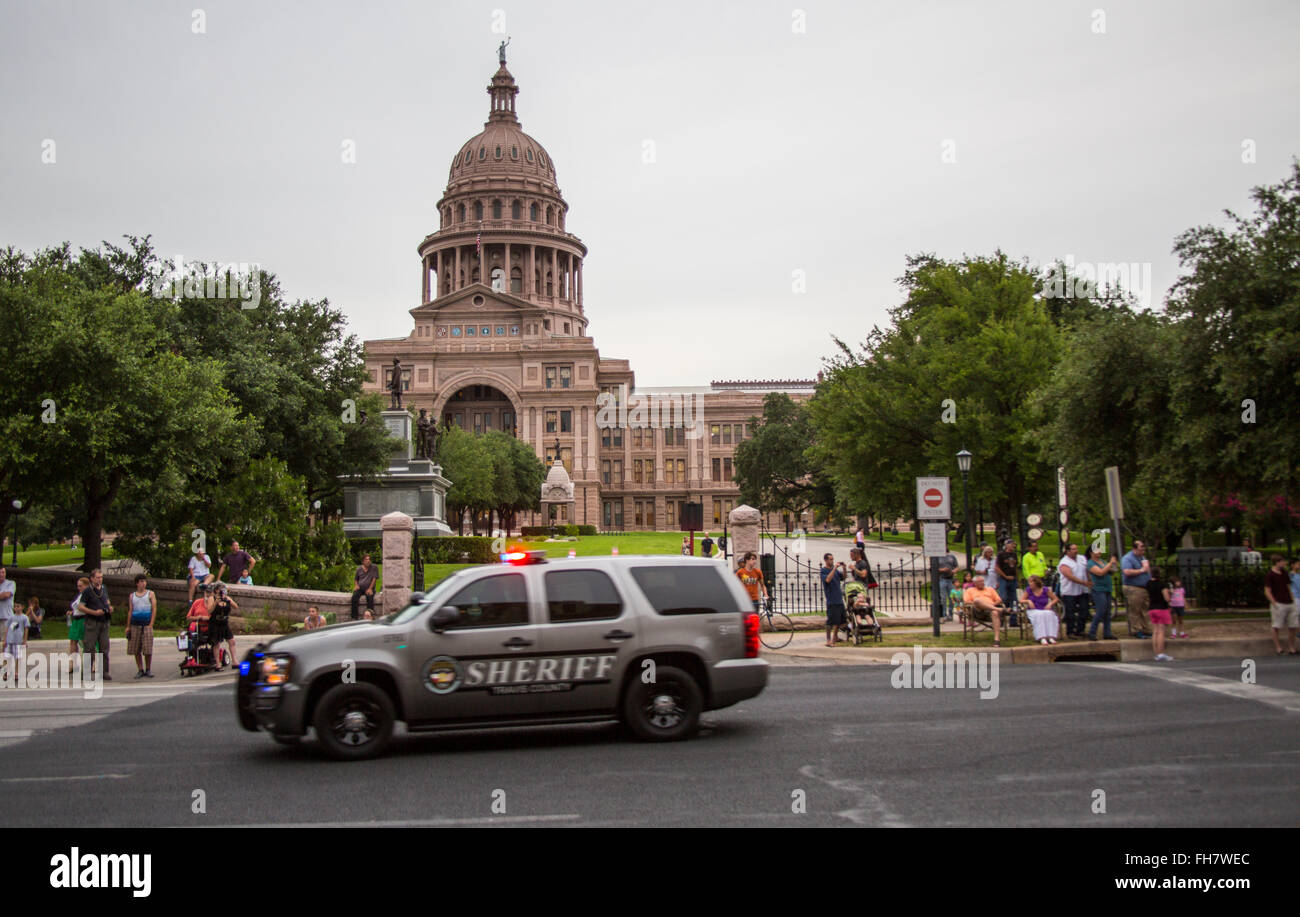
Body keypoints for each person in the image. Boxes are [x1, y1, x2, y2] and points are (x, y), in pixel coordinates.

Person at [78, 568, 114, 681]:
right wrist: (94, 612)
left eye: (101, 577)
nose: (100, 579)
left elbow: (106, 600)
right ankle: (87, 672)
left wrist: (109, 607)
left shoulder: (104, 588)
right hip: (92, 622)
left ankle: (104, 671)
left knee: (104, 647)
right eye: (98, 577)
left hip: (104, 621)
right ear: (92, 578)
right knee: (89, 647)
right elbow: (81, 606)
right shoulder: (88, 591)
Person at [1056, 542, 1091, 638]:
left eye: (1076, 548)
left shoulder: (1082, 558)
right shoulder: (1064, 562)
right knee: (1070, 613)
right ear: (1068, 551)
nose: (1076, 551)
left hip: (1083, 590)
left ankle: (1080, 630)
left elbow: (1087, 570)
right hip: (1069, 591)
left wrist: (1089, 580)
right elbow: (1070, 576)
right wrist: (1083, 582)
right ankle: (1070, 631)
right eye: (1073, 549)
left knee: (1084, 610)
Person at [1264, 554, 1297, 656]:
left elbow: (1288, 586)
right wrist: (1274, 603)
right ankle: (1278, 647)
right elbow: (1267, 591)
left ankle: (1291, 647)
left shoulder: (1284, 573)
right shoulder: (1270, 575)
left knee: (1293, 625)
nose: (1285, 563)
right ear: (1277, 562)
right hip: (1279, 603)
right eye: (1283, 561)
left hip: (1289, 602)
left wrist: (1292, 599)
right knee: (1276, 625)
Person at [125, 574, 157, 678]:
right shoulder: (132, 596)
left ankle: (148, 669)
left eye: (144, 581)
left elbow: (154, 609)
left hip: (147, 624)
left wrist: (151, 624)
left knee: (147, 648)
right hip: (135, 624)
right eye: (141, 581)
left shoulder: (150, 594)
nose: (143, 583)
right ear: (137, 583)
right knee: (136, 648)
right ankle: (140, 669)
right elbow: (130, 611)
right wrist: (128, 626)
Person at [1085, 547, 1118, 641]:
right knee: (1101, 610)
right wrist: (1110, 563)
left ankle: (1107, 633)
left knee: (1108, 612)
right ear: (1091, 553)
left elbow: (1112, 571)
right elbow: (1100, 572)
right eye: (1096, 551)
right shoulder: (1090, 563)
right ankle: (1092, 632)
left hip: (1107, 588)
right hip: (1098, 589)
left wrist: (1114, 563)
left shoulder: (1102, 561)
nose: (1099, 552)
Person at [1121, 540, 1152, 638]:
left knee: (1145, 609)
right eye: (1140, 548)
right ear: (1134, 548)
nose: (1143, 550)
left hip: (1144, 588)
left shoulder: (1142, 557)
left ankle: (1146, 628)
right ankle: (1136, 630)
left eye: (1143, 548)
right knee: (1135, 610)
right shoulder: (1127, 558)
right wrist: (1141, 570)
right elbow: (1127, 572)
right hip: (1133, 588)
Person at [965, 575, 1006, 647]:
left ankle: (996, 639)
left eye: (983, 581)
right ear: (975, 583)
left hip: (990, 611)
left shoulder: (990, 589)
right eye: (980, 581)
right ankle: (999, 609)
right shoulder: (970, 590)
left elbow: (999, 600)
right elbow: (966, 602)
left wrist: (992, 604)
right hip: (977, 611)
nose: (982, 583)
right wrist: (981, 604)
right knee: (977, 600)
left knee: (995, 613)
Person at [1022, 575, 1061, 645]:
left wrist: (1050, 604)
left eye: (1031, 582)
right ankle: (1042, 637)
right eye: (1029, 582)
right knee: (1040, 615)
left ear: (1036, 582)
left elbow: (1055, 599)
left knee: (1050, 614)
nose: (1029, 584)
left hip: (1044, 609)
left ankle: (1051, 636)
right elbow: (1021, 600)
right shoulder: (1028, 590)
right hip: (1033, 610)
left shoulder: (1045, 590)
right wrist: (1028, 601)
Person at [1146, 566, 1174, 661]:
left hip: (1152, 608)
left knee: (1155, 631)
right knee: (1162, 631)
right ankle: (1161, 653)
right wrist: (1170, 596)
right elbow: (1166, 597)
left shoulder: (1148, 584)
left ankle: (1156, 653)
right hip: (1162, 608)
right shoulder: (1162, 584)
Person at [209, 584, 238, 670]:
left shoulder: (227, 599)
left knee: (231, 641)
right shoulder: (212, 598)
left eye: (224, 590)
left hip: (224, 622)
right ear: (216, 590)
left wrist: (227, 599)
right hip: (215, 623)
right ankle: (218, 663)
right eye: (221, 590)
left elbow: (236, 607)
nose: (222, 592)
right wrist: (216, 602)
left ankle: (235, 661)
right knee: (216, 643)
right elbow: (209, 610)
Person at [821, 553, 847, 647]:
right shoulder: (824, 571)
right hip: (831, 600)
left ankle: (835, 637)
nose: (832, 561)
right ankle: (829, 640)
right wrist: (834, 568)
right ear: (826, 560)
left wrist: (844, 568)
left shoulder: (835, 571)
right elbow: (827, 580)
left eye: (833, 559)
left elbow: (843, 577)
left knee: (840, 621)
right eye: (830, 559)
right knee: (831, 621)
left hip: (839, 599)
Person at [67, 575, 89, 675]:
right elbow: (76, 607)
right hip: (75, 620)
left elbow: (86, 608)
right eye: (78, 586)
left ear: (86, 586)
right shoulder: (80, 595)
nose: (78, 588)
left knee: (85, 642)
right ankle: (73, 664)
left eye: (80, 586)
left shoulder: (88, 595)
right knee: (72, 642)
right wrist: (72, 612)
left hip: (83, 620)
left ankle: (91, 664)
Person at [1, 601, 28, 683]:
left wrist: (25, 640)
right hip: (10, 640)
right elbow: (7, 629)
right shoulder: (11, 617)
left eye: (18, 606)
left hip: (18, 641)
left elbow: (26, 629)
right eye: (15, 606)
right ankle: (6, 671)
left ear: (22, 607)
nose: (16, 608)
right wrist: (5, 640)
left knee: (18, 658)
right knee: (7, 657)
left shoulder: (24, 618)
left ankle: (16, 673)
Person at [995, 539, 1020, 615]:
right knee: (1003, 597)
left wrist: (1017, 578)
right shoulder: (1001, 554)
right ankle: (1001, 615)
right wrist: (1005, 576)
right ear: (1006, 545)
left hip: (1012, 578)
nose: (1014, 546)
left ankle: (1013, 619)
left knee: (1014, 599)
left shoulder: (1014, 555)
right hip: (1003, 578)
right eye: (1012, 544)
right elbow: (997, 568)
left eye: (1014, 544)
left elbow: (1015, 567)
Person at [352, 554, 379, 621]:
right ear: (363, 561)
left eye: (369, 559)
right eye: (366, 559)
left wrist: (370, 588)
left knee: (369, 597)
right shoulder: (359, 569)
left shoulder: (374, 567)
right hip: (360, 588)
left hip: (369, 587)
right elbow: (356, 579)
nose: (368, 561)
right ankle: (354, 617)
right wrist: (356, 585)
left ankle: (371, 617)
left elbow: (374, 579)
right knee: (354, 597)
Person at [937, 549, 958, 622]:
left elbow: (956, 567)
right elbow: (934, 568)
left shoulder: (951, 556)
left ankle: (950, 614)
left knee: (951, 597)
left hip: (951, 579)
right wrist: (942, 570)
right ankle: (944, 614)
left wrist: (953, 571)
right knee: (943, 598)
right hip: (942, 579)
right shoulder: (937, 557)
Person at [1168, 574, 1188, 639]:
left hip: (1180, 606)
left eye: (1179, 581)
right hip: (1173, 606)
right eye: (1177, 582)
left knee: (1181, 620)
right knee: (1174, 620)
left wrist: (1185, 604)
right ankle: (1173, 633)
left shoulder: (1181, 589)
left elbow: (1183, 597)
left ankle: (1182, 632)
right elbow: (1169, 596)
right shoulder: (1171, 590)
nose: (1179, 583)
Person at [0, 566, 13, 650]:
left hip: (6, 619)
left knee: (4, 643)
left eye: (3, 572)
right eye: (0, 572)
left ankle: (5, 662)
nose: (1, 574)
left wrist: (3, 595)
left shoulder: (11, 583)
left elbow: (7, 595)